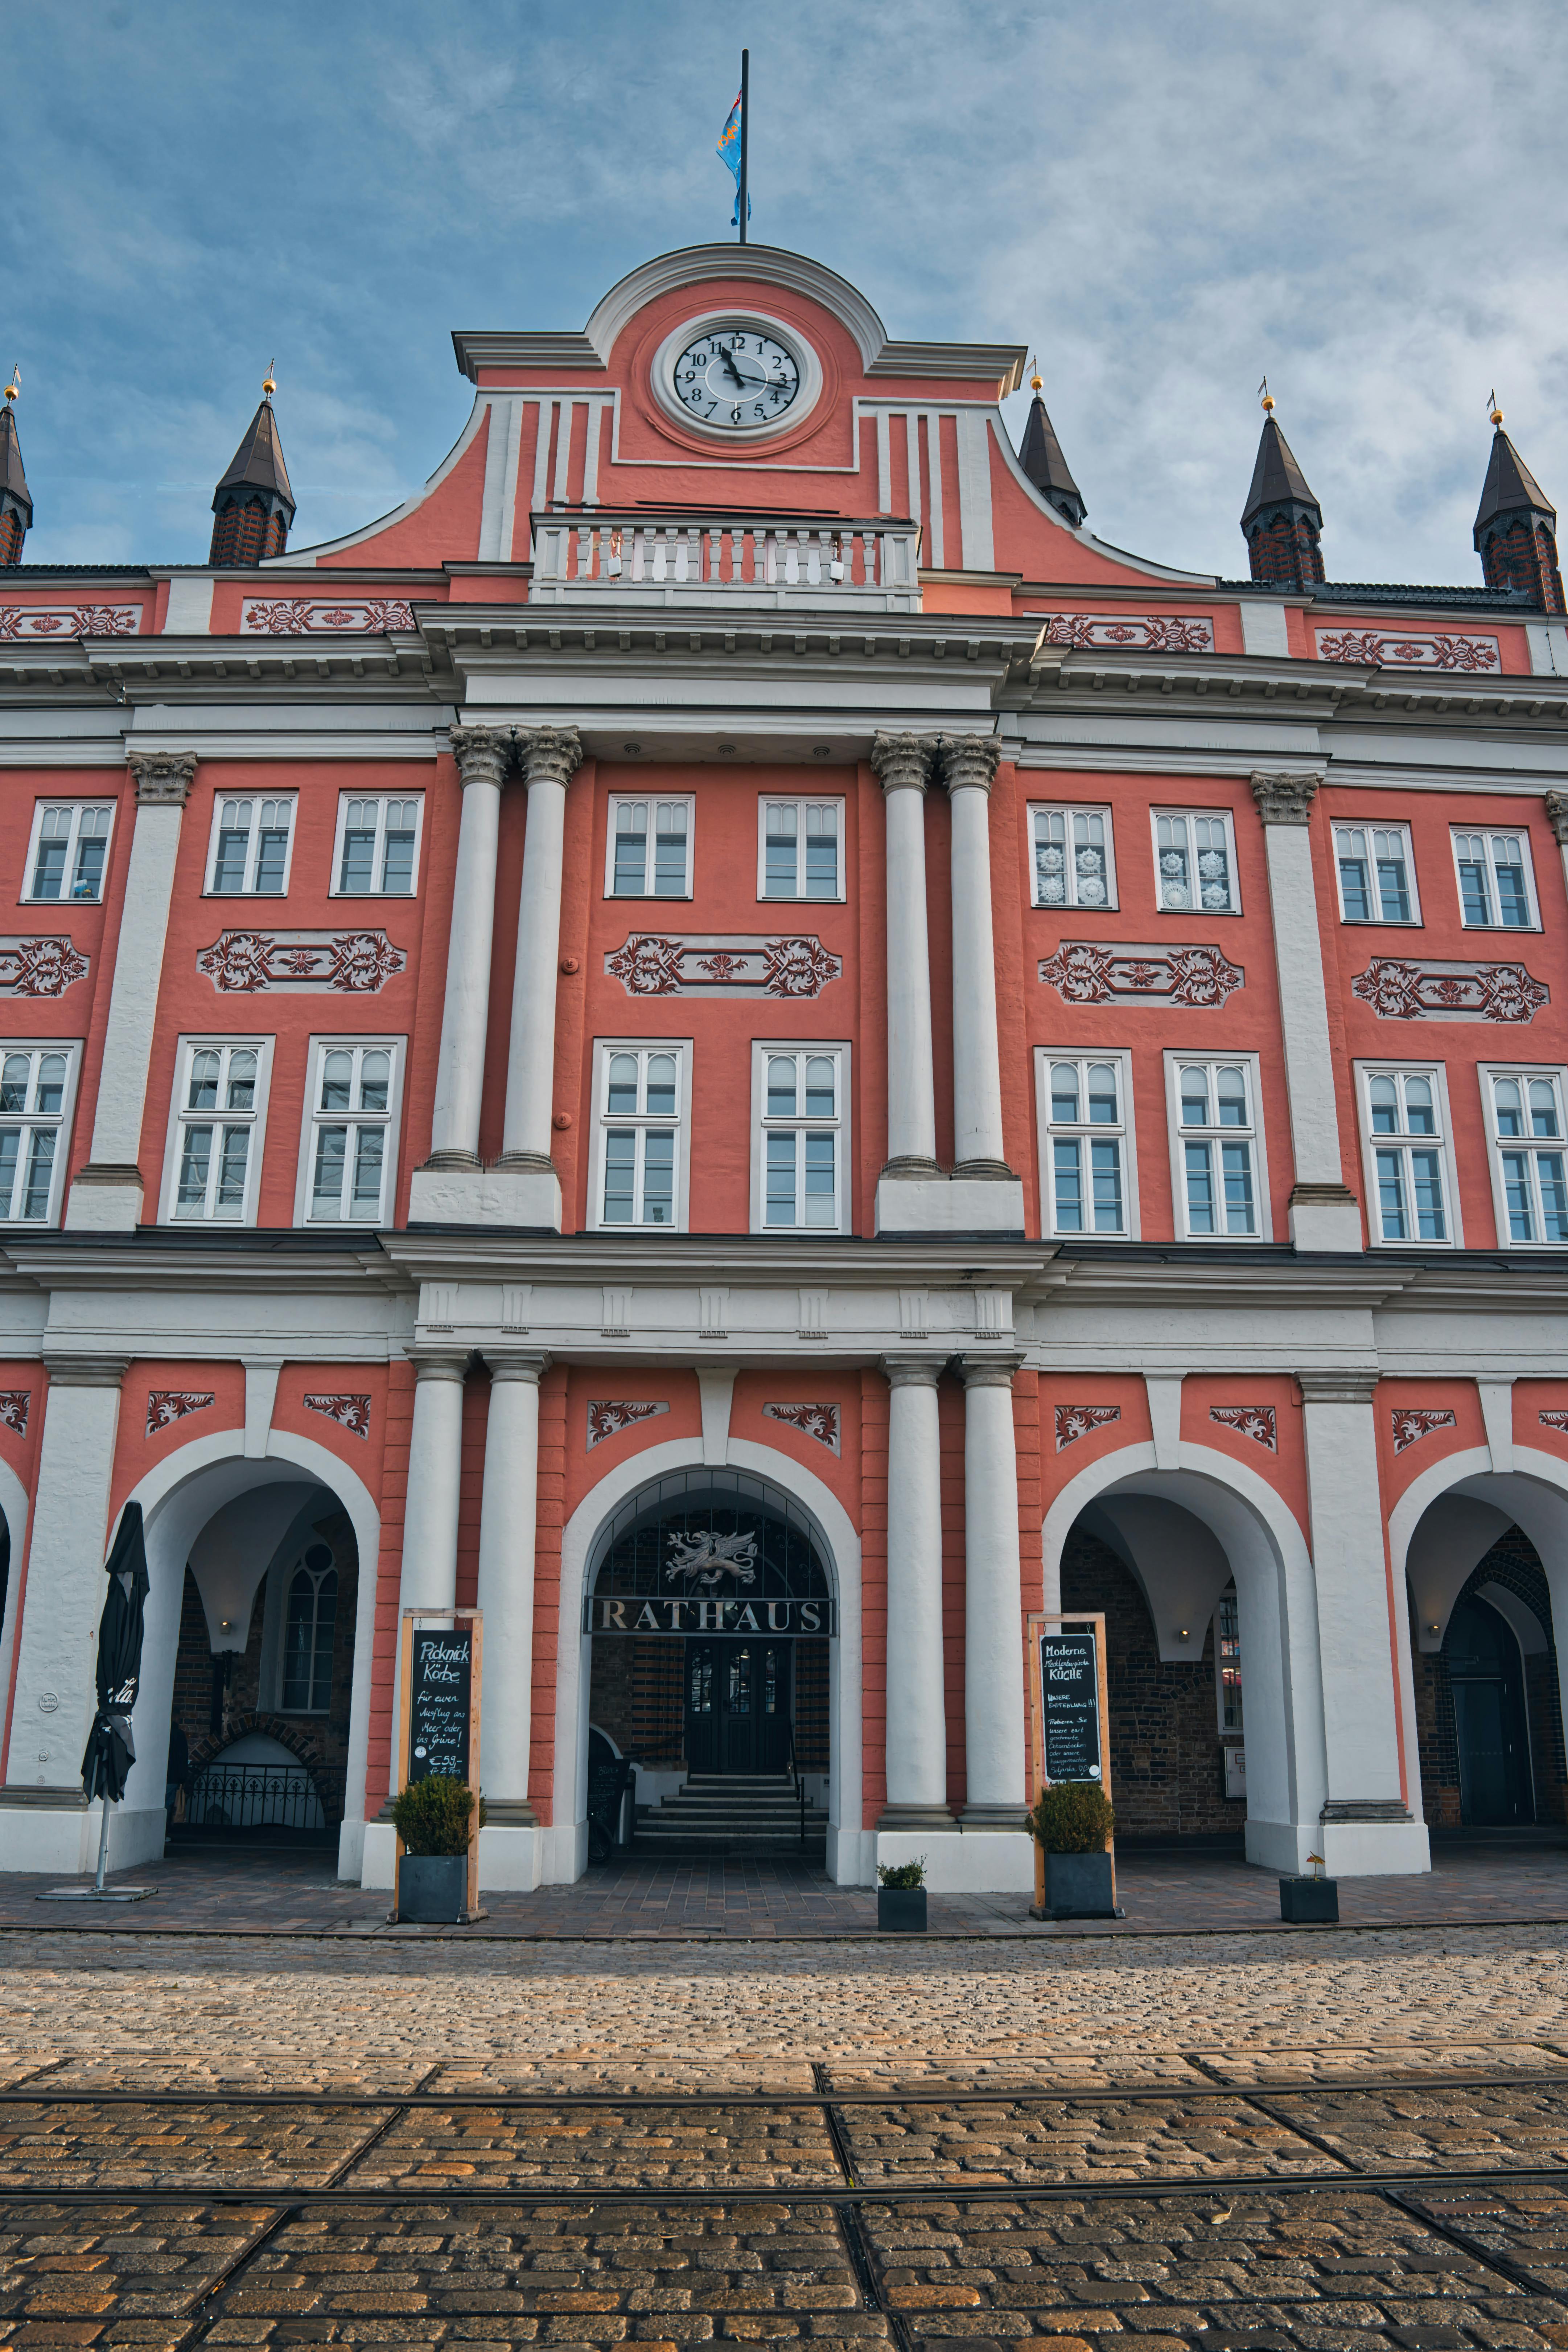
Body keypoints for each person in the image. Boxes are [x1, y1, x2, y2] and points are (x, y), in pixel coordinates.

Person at [165, 1719, 190, 1846]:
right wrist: (183, 1777)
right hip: (172, 1776)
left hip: (164, 1774)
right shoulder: (178, 1735)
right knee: (168, 1805)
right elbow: (182, 1757)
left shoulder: (163, 1732)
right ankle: (164, 1832)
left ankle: (160, 1832)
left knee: (165, 1804)